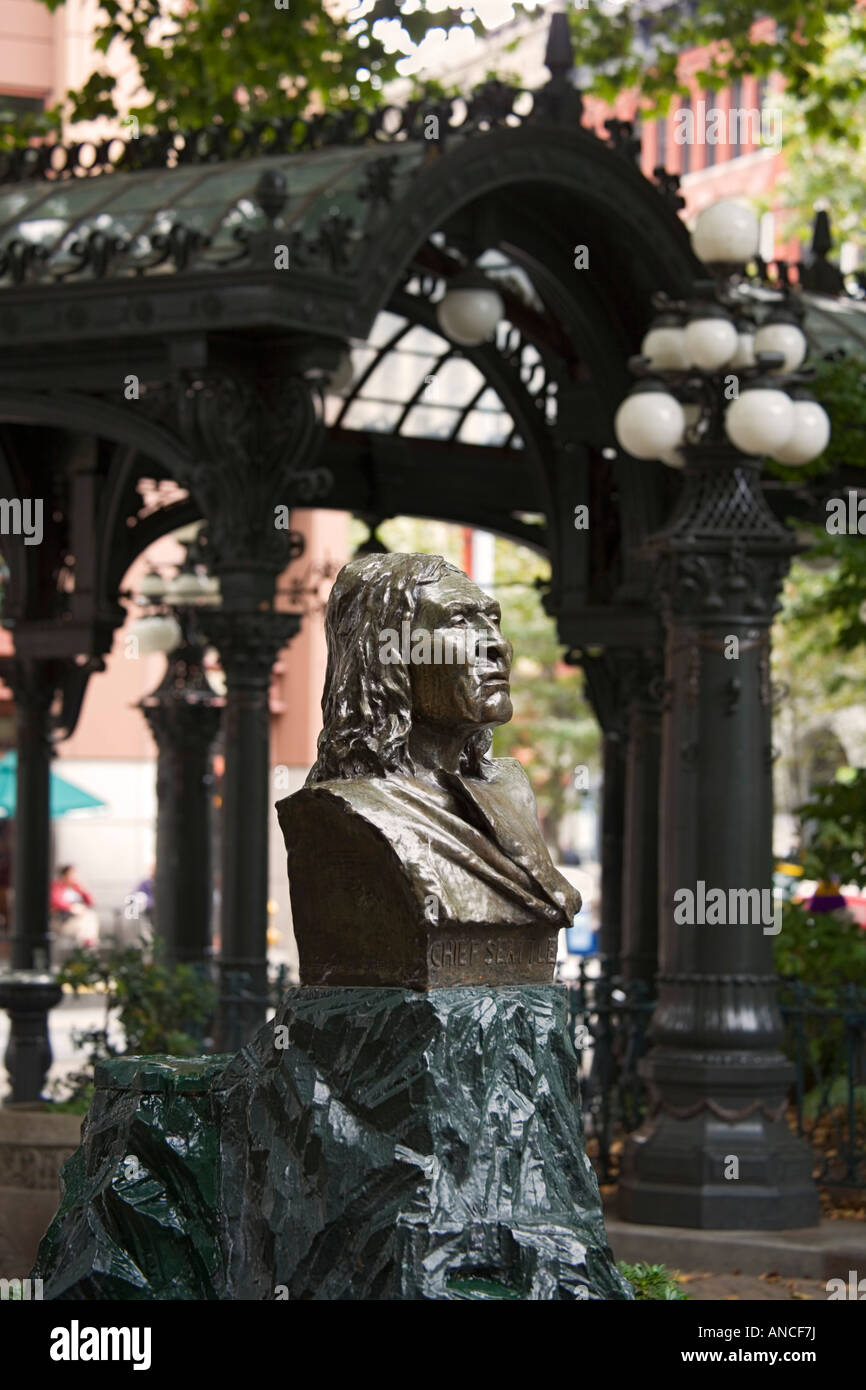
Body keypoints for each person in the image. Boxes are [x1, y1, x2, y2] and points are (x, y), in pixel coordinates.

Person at [277, 553, 580, 987]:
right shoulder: (348, 811)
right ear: (386, 656)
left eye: (492, 620)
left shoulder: (510, 789)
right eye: (458, 622)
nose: (495, 644)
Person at [50, 864, 99, 947]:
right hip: (63, 920)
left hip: (79, 919)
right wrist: (72, 907)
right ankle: (87, 949)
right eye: (71, 874)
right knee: (85, 924)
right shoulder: (56, 886)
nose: (74, 876)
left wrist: (83, 889)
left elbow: (91, 902)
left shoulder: (76, 887)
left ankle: (88, 946)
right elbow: (55, 901)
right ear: (64, 876)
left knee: (89, 917)